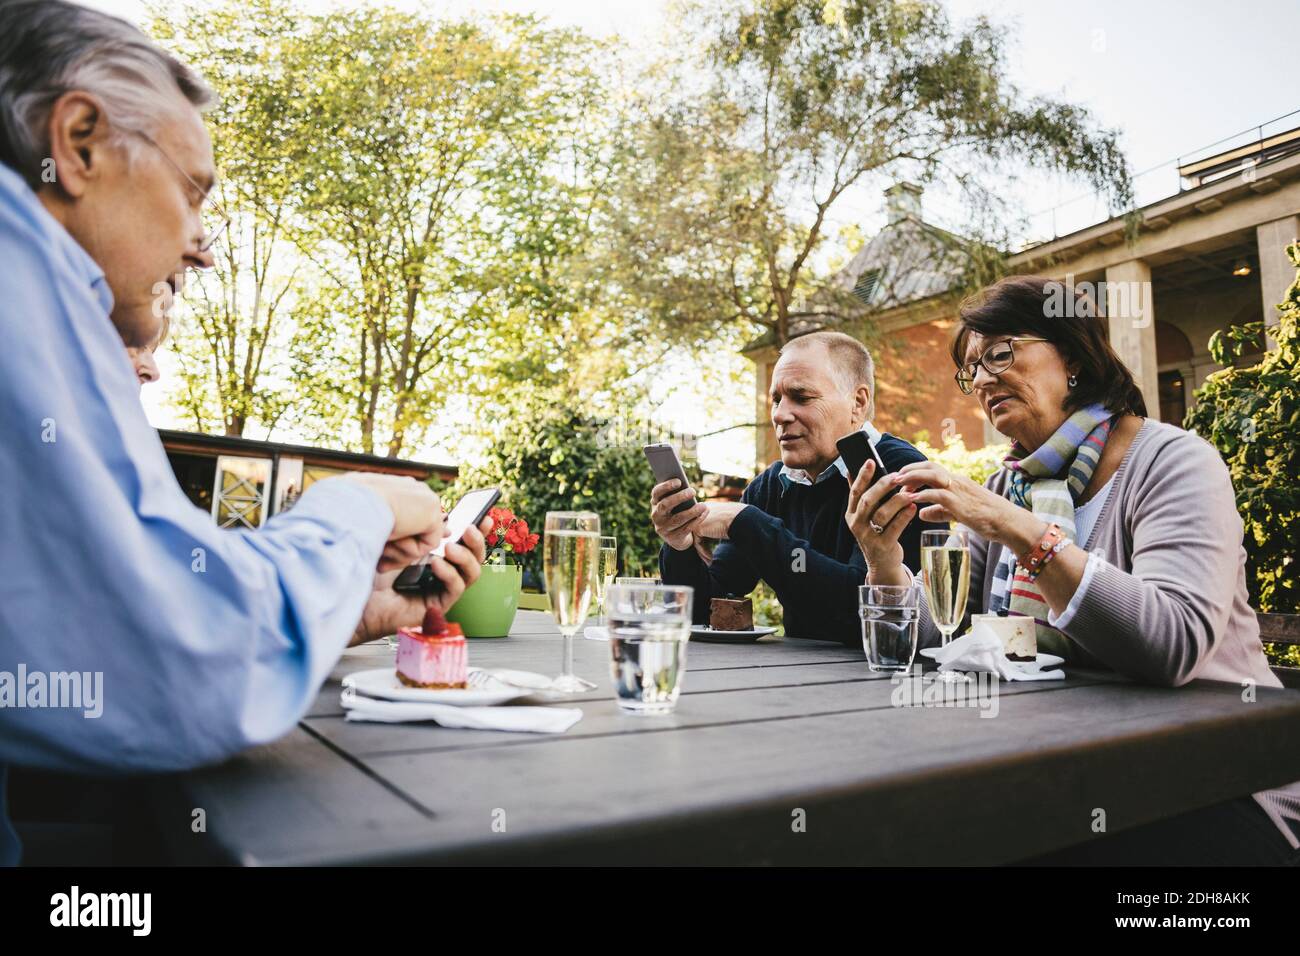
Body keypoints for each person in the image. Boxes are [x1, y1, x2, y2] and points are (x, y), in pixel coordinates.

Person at [0, 0, 486, 865]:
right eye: (192, 192)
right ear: (75, 142)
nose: (203, 248)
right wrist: (356, 507)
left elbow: (98, 640)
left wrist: (346, 614)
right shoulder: (20, 271)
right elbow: (177, 672)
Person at [845, 274, 1300, 864]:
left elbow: (1174, 643)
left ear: (1075, 357)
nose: (981, 379)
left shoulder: (1171, 462)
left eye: (1000, 353)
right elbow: (940, 633)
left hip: (1212, 783)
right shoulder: (1008, 487)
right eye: (972, 368)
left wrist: (1018, 528)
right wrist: (884, 560)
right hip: (1061, 767)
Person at [651, 330, 937, 646]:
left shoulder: (901, 474)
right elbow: (708, 609)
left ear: (857, 402)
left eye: (801, 397)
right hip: (793, 684)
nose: (779, 415)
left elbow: (868, 618)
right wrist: (678, 543)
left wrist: (747, 523)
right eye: (777, 399)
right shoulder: (770, 487)